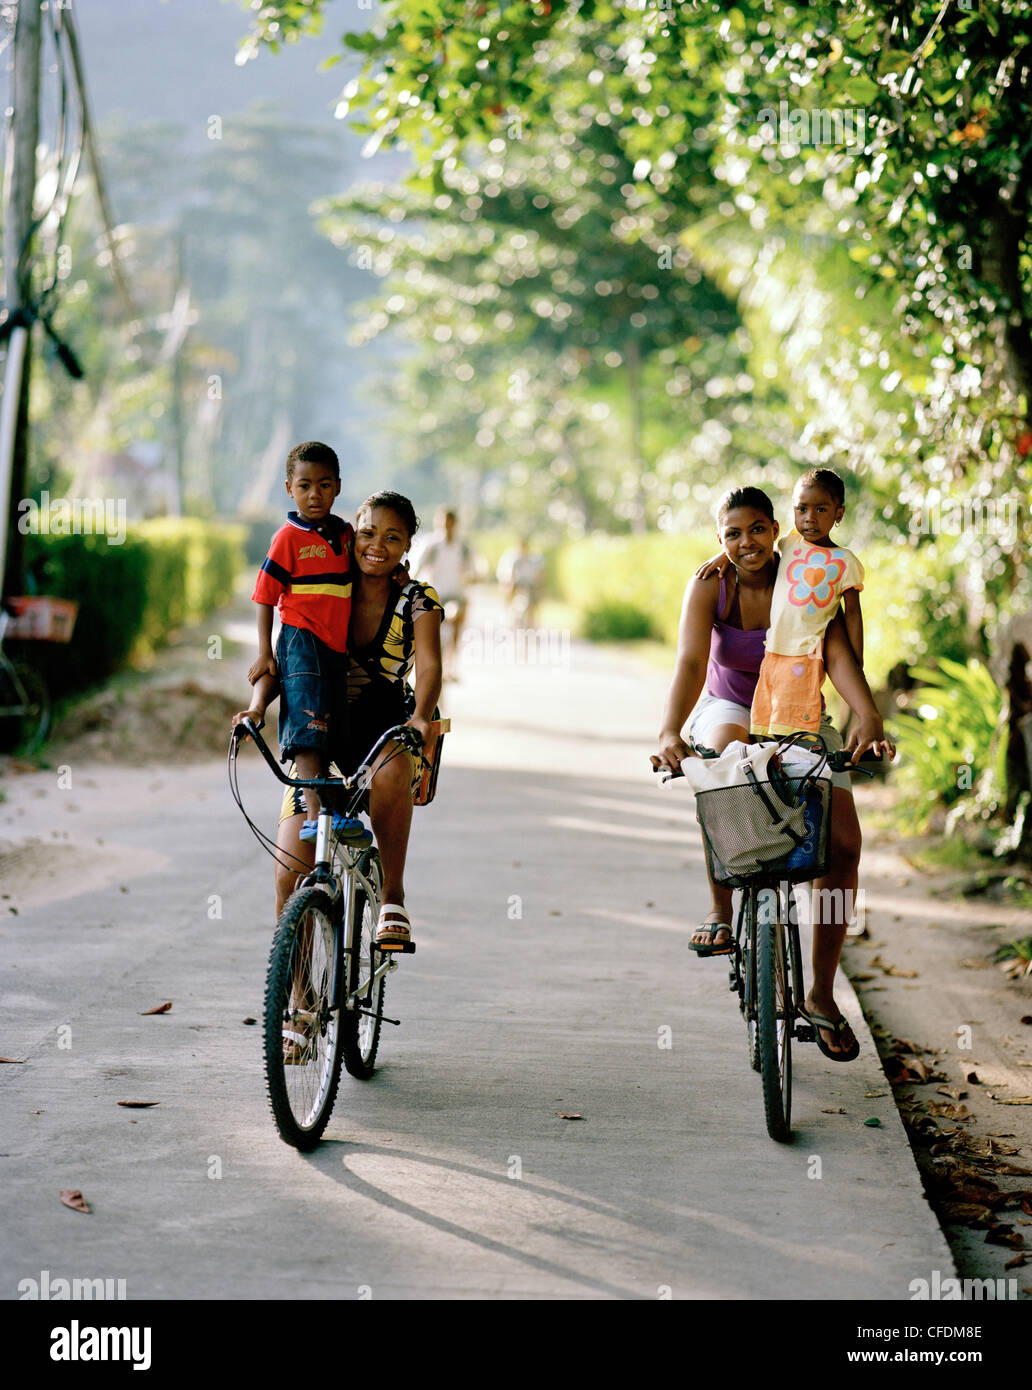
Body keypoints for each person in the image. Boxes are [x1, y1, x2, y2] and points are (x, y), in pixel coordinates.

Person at [652, 485, 894, 1063]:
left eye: (758, 529)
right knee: (720, 766)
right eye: (732, 534)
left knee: (843, 844)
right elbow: (690, 661)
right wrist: (670, 732)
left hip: (798, 713)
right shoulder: (710, 583)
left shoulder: (803, 574)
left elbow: (835, 651)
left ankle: (821, 994)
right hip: (729, 708)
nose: (746, 543)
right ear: (719, 539)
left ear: (777, 529)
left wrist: (868, 713)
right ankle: (720, 910)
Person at [273, 490, 443, 948]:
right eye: (367, 533)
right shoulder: (327, 584)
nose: (377, 545)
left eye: (393, 537)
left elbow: (429, 665)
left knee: (390, 771)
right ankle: (298, 1006)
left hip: (385, 731)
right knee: (292, 869)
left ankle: (392, 897)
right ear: (351, 535)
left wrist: (422, 716)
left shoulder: (418, 600)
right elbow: (291, 652)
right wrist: (257, 704)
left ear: (408, 545)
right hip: (320, 739)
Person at [699, 468, 865, 738]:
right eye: (801, 509)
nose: (810, 518)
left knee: (810, 770)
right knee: (739, 761)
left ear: (839, 514)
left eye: (821, 510)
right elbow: (753, 547)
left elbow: (852, 619)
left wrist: (858, 671)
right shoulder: (790, 545)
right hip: (747, 684)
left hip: (799, 684)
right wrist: (724, 555)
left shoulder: (840, 566)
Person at [415, 508, 474, 679]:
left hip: (456, 594)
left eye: (449, 522)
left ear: (454, 524)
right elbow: (420, 567)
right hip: (436, 594)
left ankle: (451, 664)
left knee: (456, 621)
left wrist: (471, 579)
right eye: (442, 522)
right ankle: (435, 664)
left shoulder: (463, 547)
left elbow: (473, 570)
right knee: (433, 632)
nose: (445, 526)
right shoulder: (432, 545)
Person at [497, 538, 545, 628]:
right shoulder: (516, 560)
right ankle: (509, 612)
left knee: (533, 602)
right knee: (509, 592)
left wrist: (538, 581)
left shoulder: (533, 560)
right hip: (518, 583)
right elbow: (512, 574)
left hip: (530, 585)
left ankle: (532, 622)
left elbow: (539, 574)